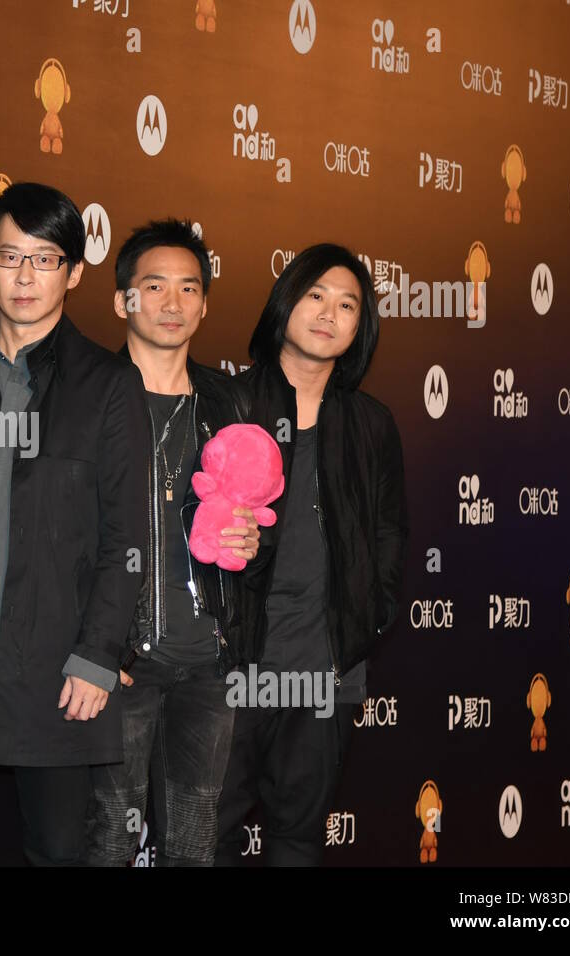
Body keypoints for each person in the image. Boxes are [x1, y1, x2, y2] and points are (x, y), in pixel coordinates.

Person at [0, 182, 150, 866]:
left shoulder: (109, 384)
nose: (24, 276)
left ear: (74, 273)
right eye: (9, 257)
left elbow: (125, 537)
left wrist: (99, 654)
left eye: (44, 259)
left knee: (54, 851)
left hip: (56, 668)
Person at [214, 243, 408, 866]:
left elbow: (388, 535)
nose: (329, 313)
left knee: (298, 838)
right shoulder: (229, 403)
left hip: (325, 669)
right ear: (284, 304)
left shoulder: (372, 424)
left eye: (347, 303)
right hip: (232, 667)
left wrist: (368, 619)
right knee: (202, 836)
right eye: (315, 295)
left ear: (361, 326)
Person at [87, 218, 260, 866]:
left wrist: (248, 545)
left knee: (194, 842)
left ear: (206, 303)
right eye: (153, 286)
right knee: (107, 840)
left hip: (207, 665)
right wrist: (98, 642)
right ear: (121, 300)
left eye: (188, 288)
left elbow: (253, 526)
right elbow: (63, 535)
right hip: (120, 663)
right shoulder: (88, 396)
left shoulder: (228, 400)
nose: (172, 303)